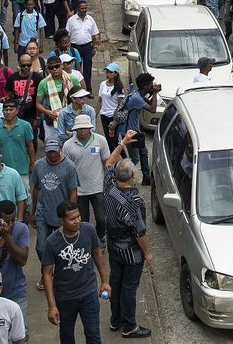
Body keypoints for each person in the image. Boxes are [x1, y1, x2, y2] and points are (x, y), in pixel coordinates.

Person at [101, 130, 153, 339]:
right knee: (130, 288)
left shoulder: (109, 187)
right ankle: (129, 326)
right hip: (131, 252)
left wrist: (121, 143)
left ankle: (116, 320)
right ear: (132, 176)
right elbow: (140, 232)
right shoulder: (134, 202)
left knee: (116, 282)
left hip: (113, 248)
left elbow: (108, 164)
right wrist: (147, 253)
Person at [40, 201, 109, 344]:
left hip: (88, 293)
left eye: (78, 216)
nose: (77, 221)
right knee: (66, 336)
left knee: (93, 334)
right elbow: (47, 274)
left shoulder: (89, 230)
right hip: (65, 298)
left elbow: (97, 254)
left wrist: (105, 281)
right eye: (72, 219)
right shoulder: (52, 242)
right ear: (62, 221)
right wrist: (52, 306)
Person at [30, 138, 80, 263]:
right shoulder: (39, 165)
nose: (51, 155)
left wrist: (70, 214)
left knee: (63, 249)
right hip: (43, 211)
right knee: (41, 247)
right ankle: (46, 272)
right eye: (49, 152)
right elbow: (36, 188)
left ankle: (59, 271)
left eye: (54, 151)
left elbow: (73, 191)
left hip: (61, 214)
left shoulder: (69, 167)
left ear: (60, 150)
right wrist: (33, 211)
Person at [62, 113, 109, 240]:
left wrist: (109, 183)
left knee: (101, 218)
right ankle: (88, 241)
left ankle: (100, 237)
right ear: (75, 129)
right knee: (83, 220)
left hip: (98, 187)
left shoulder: (100, 140)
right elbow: (66, 168)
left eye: (84, 128)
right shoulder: (68, 145)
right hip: (79, 190)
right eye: (79, 128)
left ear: (89, 128)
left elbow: (107, 163)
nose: (82, 131)